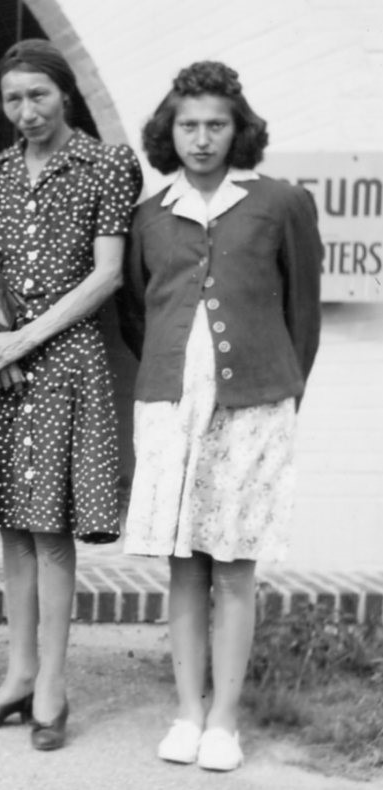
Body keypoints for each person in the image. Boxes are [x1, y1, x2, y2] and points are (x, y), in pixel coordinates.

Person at [0, 39, 142, 750]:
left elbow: (106, 275)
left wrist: (23, 341)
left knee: (48, 530)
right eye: (13, 99)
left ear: (65, 94)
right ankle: (16, 676)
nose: (25, 111)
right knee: (11, 528)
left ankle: (51, 683)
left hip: (64, 359)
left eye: (37, 96)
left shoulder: (106, 164)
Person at [118, 61, 322, 772]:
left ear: (238, 130)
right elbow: (135, 315)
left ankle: (225, 723)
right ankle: (185, 713)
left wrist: (279, 391)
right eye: (187, 124)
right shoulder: (148, 214)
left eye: (214, 124)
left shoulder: (280, 204)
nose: (200, 138)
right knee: (183, 564)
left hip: (252, 406)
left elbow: (302, 314)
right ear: (167, 132)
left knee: (234, 566)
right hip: (172, 404)